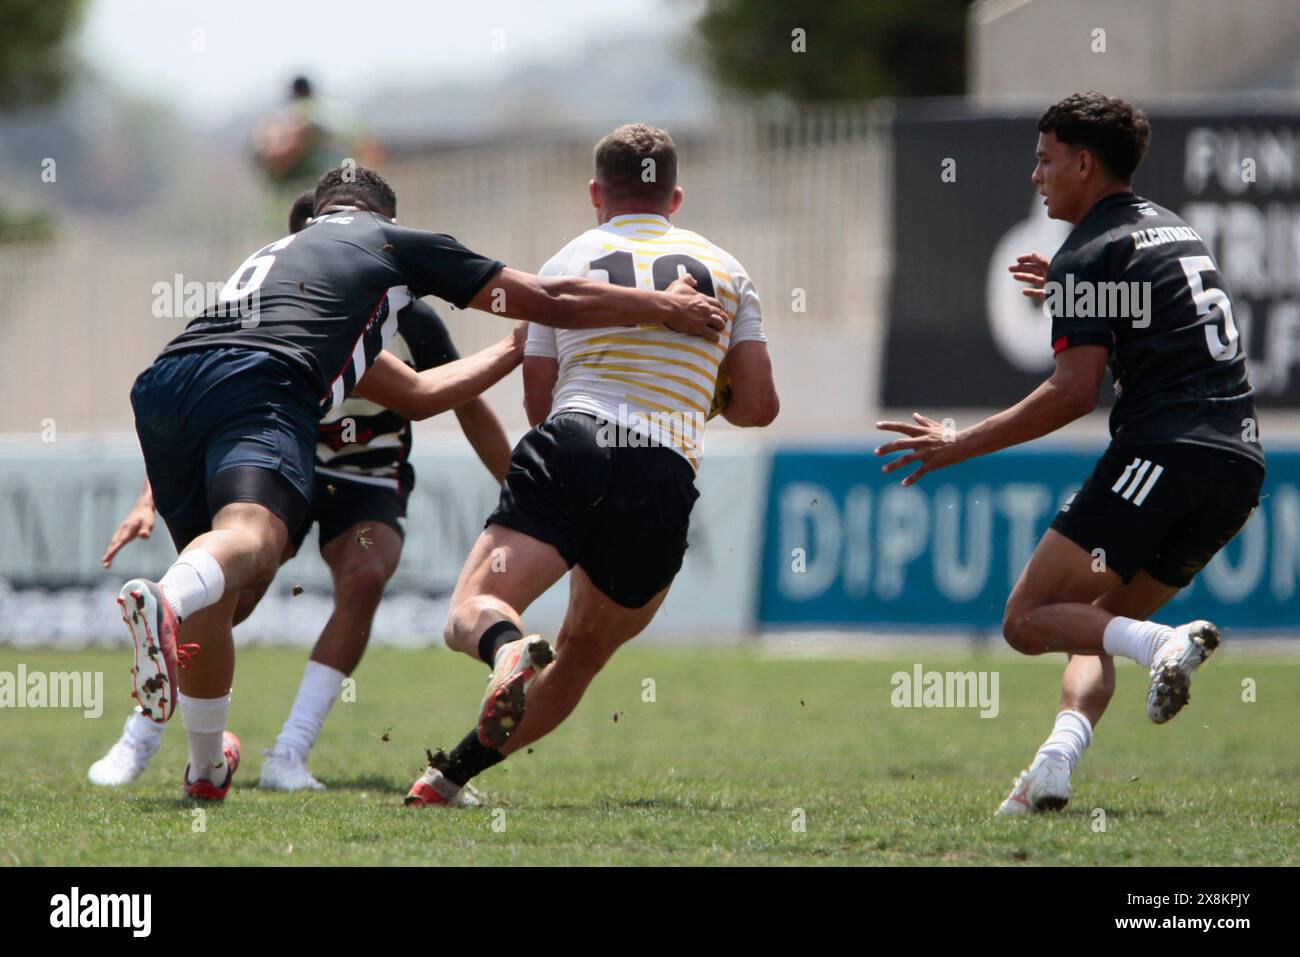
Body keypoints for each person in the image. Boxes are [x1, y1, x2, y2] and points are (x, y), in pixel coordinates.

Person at [116, 164, 727, 800]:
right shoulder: (392, 244)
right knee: (253, 539)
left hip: (166, 381)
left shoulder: (281, 254)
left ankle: (207, 768)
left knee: (217, 591)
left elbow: (415, 393)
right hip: (262, 385)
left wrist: (515, 367)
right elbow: (550, 299)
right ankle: (167, 603)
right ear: (390, 218)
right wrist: (665, 305)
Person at [874, 92, 1265, 815]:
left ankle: (1162, 643)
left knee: (1028, 617)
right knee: (1093, 625)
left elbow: (1071, 393)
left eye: (1046, 159)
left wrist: (960, 443)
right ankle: (1050, 771)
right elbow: (1152, 311)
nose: (1036, 175)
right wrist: (1067, 285)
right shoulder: (1171, 228)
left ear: (1085, 163)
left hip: (1164, 455)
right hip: (1238, 468)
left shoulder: (1090, 253)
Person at [405, 123, 779, 807]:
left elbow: (539, 400)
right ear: (675, 196)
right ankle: (449, 776)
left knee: (473, 611)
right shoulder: (729, 273)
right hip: (665, 468)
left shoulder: (564, 261)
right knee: (581, 655)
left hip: (574, 441)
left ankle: (506, 648)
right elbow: (760, 406)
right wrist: (705, 392)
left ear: (594, 193)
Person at [91, 191, 512, 793]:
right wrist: (146, 499)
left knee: (366, 573)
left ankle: (288, 751)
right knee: (228, 596)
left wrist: (519, 491)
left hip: (365, 470)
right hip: (282, 459)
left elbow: (460, 404)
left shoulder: (408, 318)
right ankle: (145, 732)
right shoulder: (280, 312)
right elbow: (212, 416)